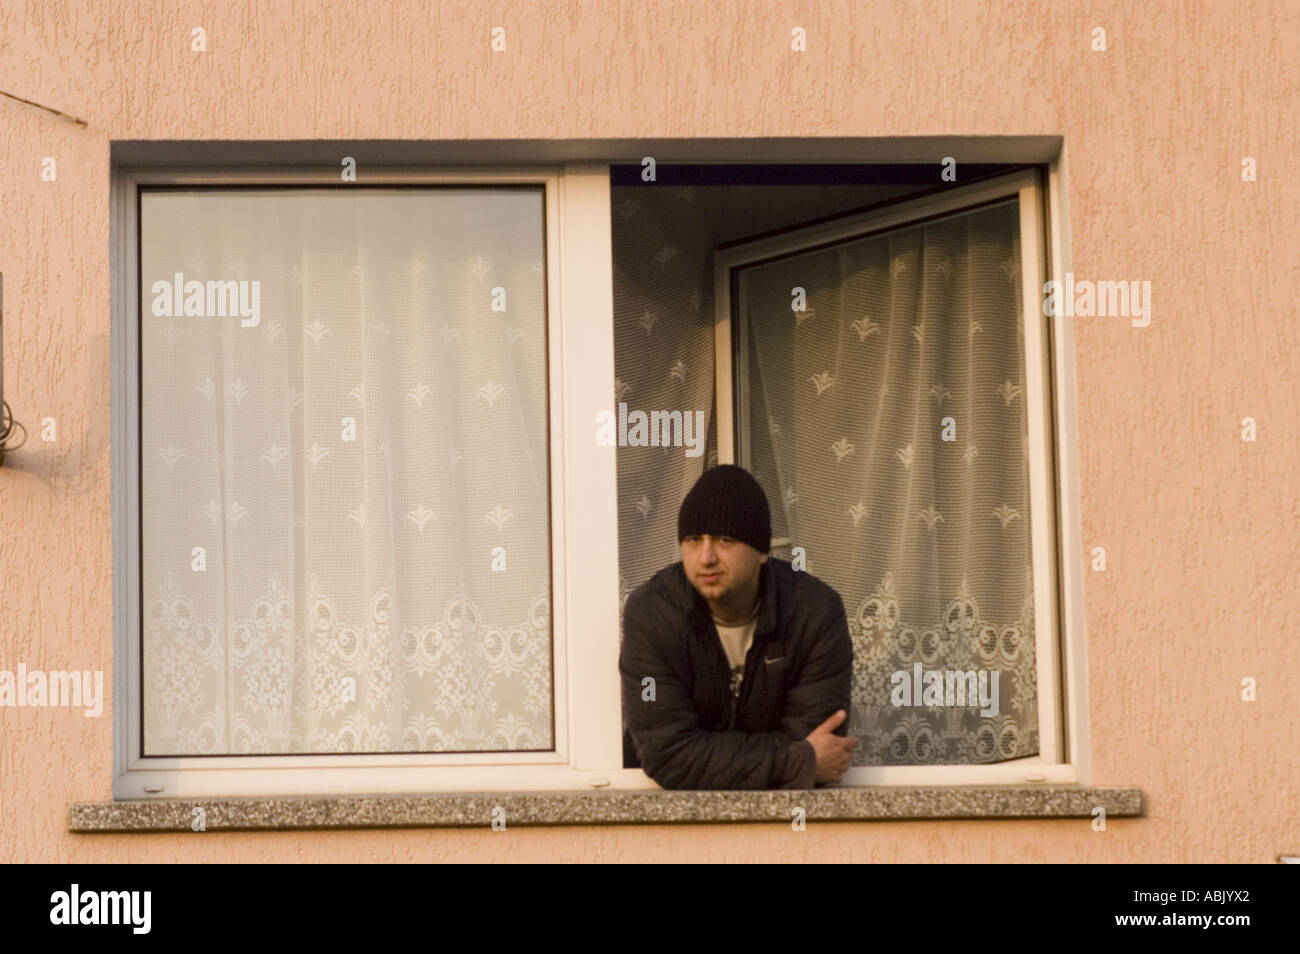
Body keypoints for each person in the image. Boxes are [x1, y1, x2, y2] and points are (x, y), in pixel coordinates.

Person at [619, 464, 856, 789]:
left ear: (761, 551)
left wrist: (709, 755)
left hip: (783, 824)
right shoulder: (652, 615)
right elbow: (666, 754)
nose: (706, 557)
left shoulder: (814, 613)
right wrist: (798, 762)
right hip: (671, 821)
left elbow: (818, 738)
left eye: (725, 540)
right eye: (692, 539)